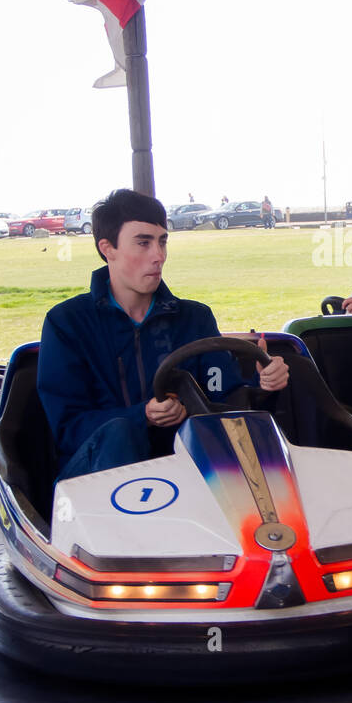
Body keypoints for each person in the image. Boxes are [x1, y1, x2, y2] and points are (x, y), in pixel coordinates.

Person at [38, 188, 289, 483]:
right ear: (108, 249)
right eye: (143, 243)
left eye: (162, 242)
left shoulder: (194, 317)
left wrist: (264, 386)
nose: (158, 256)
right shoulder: (67, 323)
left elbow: (225, 400)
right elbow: (68, 428)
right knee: (120, 434)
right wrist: (141, 415)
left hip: (185, 467)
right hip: (96, 477)